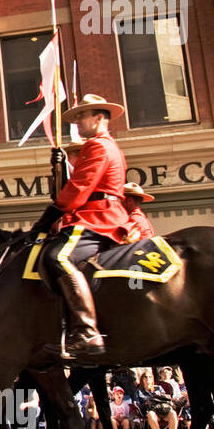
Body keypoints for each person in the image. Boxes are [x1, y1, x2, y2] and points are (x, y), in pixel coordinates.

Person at [30, 94, 129, 361]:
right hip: (97, 214)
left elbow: (79, 189)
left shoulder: (98, 146)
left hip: (99, 217)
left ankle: (87, 331)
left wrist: (52, 213)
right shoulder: (104, 146)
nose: (77, 122)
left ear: (99, 118)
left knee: (56, 256)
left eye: (81, 116)